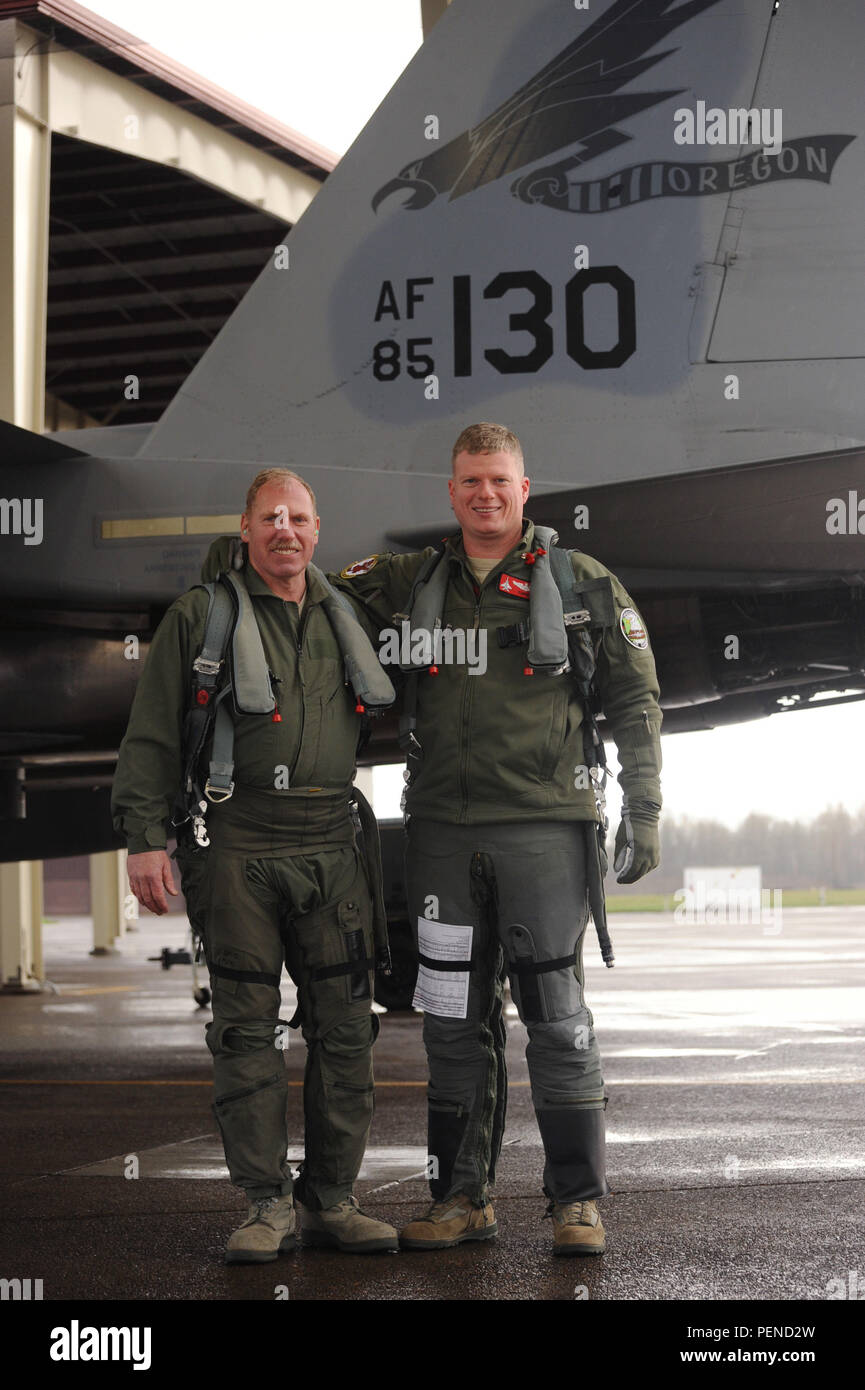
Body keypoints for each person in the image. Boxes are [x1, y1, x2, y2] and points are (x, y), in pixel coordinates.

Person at [336, 423, 662, 1256]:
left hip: (545, 832)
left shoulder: (583, 583)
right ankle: (461, 1198)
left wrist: (645, 809)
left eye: (500, 481)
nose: (485, 494)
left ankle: (576, 1204)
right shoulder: (410, 582)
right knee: (450, 1023)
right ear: (452, 494)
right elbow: (308, 593)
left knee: (556, 1020)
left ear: (525, 490)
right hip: (442, 835)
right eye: (470, 481)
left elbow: (635, 702)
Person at [112, 468, 399, 1262]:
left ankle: (332, 1200)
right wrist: (142, 837)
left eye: (299, 518)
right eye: (270, 517)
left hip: (331, 843)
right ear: (245, 529)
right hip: (235, 844)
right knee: (245, 1030)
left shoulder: (347, 613)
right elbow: (150, 737)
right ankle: (265, 1204)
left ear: (316, 529)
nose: (286, 530)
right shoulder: (200, 616)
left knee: (345, 1032)